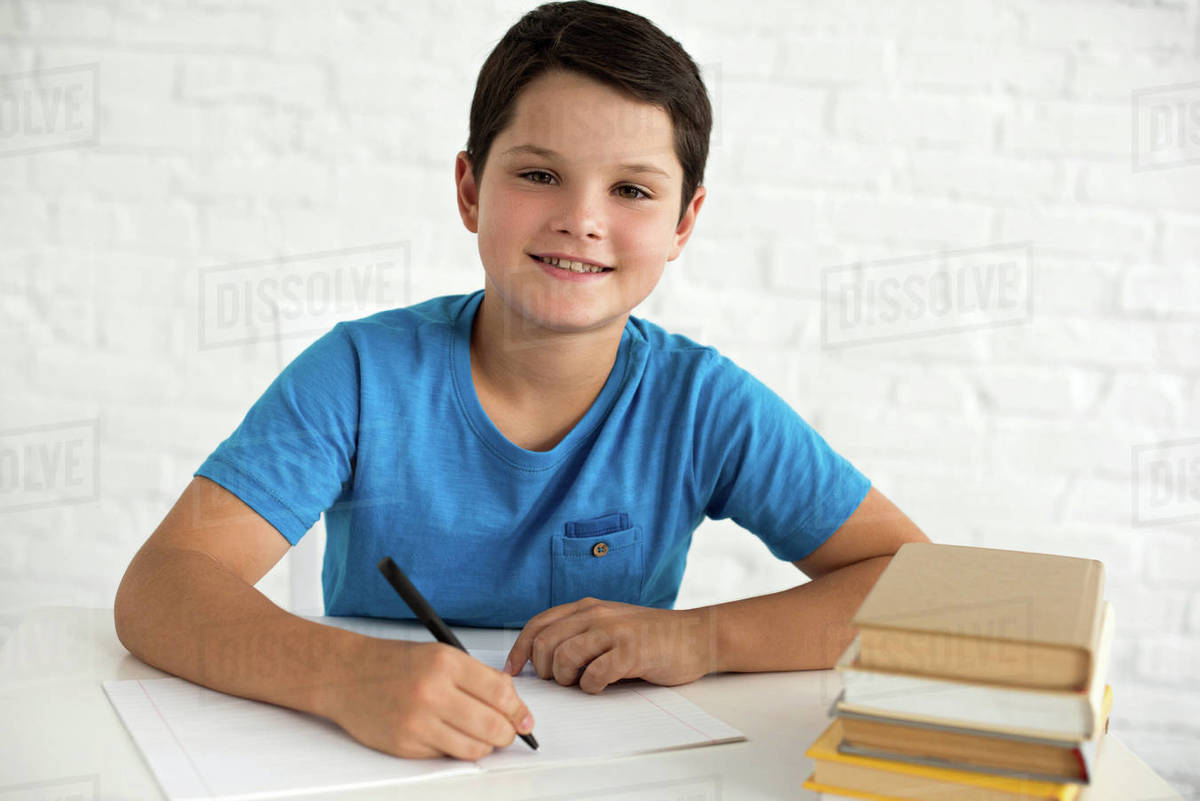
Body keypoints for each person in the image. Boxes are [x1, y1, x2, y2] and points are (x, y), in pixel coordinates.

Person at [114, 0, 929, 763]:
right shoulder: (360, 374)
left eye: (632, 190)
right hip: (370, 761)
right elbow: (162, 586)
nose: (581, 217)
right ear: (470, 190)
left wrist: (703, 638)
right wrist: (342, 673)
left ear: (684, 223)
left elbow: (921, 587)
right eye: (539, 175)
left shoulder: (704, 404)